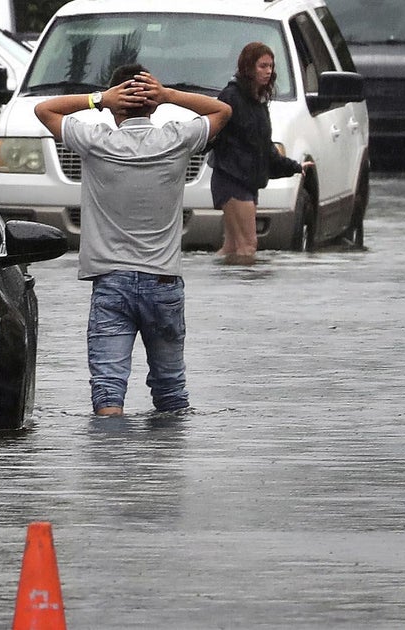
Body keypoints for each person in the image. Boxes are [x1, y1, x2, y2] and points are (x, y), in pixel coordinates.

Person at [34, 64, 231, 416]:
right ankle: (169, 468)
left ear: (114, 104)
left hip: (111, 283)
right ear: (153, 105)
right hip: (164, 282)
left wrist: (98, 100)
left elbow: (43, 109)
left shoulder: (95, 142)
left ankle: (110, 466)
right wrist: (169, 94)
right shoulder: (177, 138)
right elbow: (222, 110)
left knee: (108, 392)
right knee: (171, 391)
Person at [210, 42, 310, 264]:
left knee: (232, 247)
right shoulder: (231, 97)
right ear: (249, 67)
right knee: (247, 246)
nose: (268, 71)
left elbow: (265, 149)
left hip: (247, 181)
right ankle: (246, 295)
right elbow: (213, 134)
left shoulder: (258, 102)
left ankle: (222, 289)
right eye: (262, 66)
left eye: (271, 66)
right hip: (231, 179)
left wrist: (294, 167)